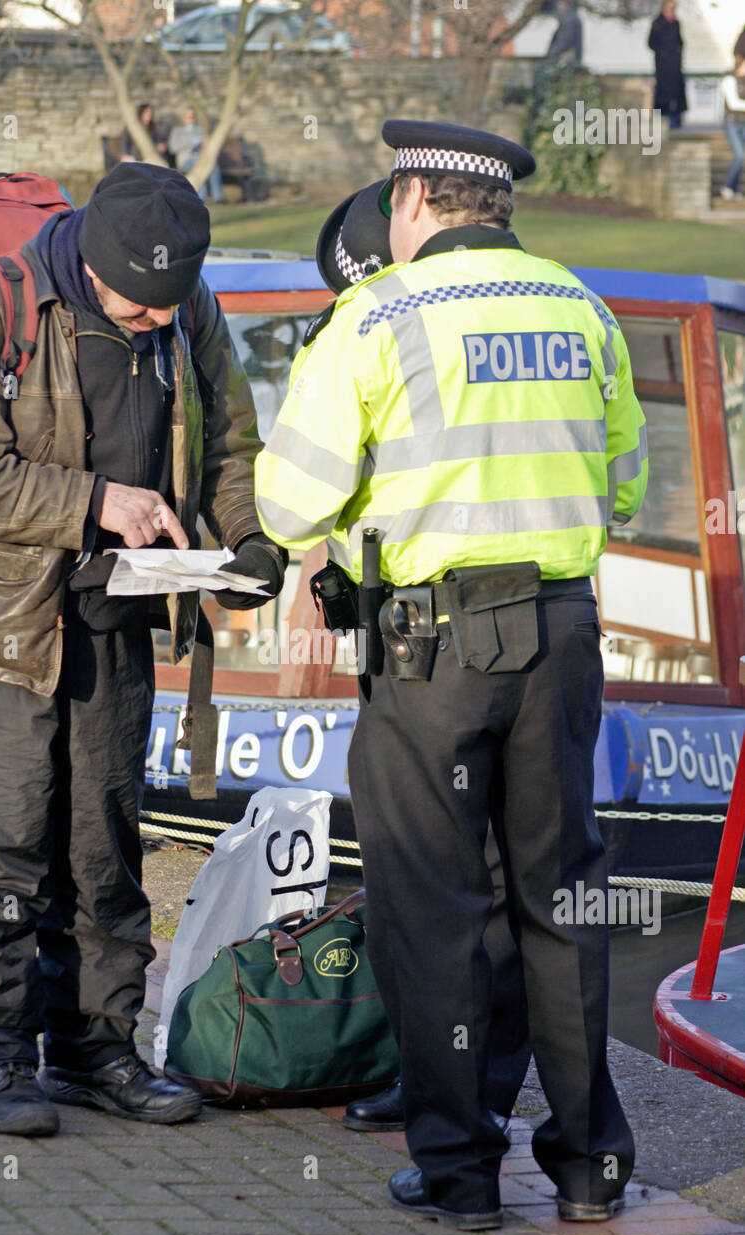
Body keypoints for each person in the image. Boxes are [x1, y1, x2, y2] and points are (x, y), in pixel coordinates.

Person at [256, 120, 646, 1229]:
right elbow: (621, 490)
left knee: (431, 911)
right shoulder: (581, 307)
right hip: (561, 639)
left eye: (391, 201)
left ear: (415, 200)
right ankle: (586, 1168)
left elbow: (291, 503)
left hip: (430, 652)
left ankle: (461, 1174)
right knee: (559, 898)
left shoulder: (375, 316)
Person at [0, 162, 287, 1137]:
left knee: (101, 856)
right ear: (89, 263)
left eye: (168, 310)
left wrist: (247, 540)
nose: (153, 323)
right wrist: (90, 503)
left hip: (115, 627)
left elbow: (230, 445)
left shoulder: (185, 308)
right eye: (137, 308)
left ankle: (95, 1051)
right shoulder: (1, 307)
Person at [304, 180, 532, 1137]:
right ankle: (432, 1074)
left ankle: (470, 1095)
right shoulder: (364, 322)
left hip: (454, 631)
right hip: (403, 628)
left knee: (467, 880)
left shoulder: (443, 322)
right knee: (410, 874)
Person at [169, 106, 224, 204]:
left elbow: (206, 146)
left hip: (199, 157)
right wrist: (189, 143)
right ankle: (201, 197)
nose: (190, 119)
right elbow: (173, 148)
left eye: (192, 117)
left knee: (213, 166)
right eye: (188, 117)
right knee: (197, 166)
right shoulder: (177, 131)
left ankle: (218, 197)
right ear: (183, 118)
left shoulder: (200, 130)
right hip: (186, 160)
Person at [648, 2, 686, 130]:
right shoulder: (658, 23)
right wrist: (664, 52)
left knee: (676, 93)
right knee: (664, 93)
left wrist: (677, 51)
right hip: (663, 65)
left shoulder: (676, 23)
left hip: (675, 65)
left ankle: (675, 119)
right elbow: (651, 43)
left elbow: (680, 41)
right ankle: (664, 118)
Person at [721, 57, 745, 200]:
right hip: (732, 122)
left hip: (743, 122)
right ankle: (727, 186)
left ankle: (734, 189)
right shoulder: (729, 80)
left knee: (743, 157)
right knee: (739, 155)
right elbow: (733, 103)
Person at [544, 0, 582, 70]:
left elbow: (565, 40)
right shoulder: (569, 18)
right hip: (566, 55)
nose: (558, 7)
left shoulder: (570, 20)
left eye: (560, 4)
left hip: (564, 56)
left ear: (566, 5)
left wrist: (553, 53)